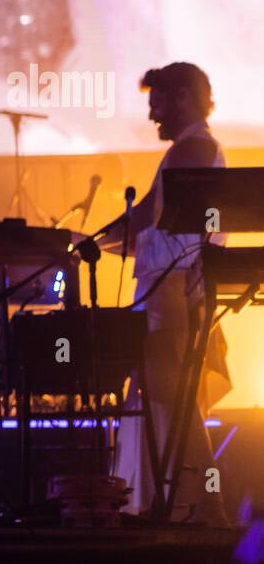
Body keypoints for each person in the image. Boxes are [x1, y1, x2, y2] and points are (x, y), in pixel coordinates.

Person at [104, 62, 231, 525]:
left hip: (171, 296)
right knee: (168, 399)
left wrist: (95, 241)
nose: (153, 114)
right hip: (171, 293)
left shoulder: (193, 148)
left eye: (157, 102)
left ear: (181, 97)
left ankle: (200, 510)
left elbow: (164, 228)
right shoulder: (191, 148)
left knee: (170, 398)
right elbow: (151, 223)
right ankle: (181, 507)